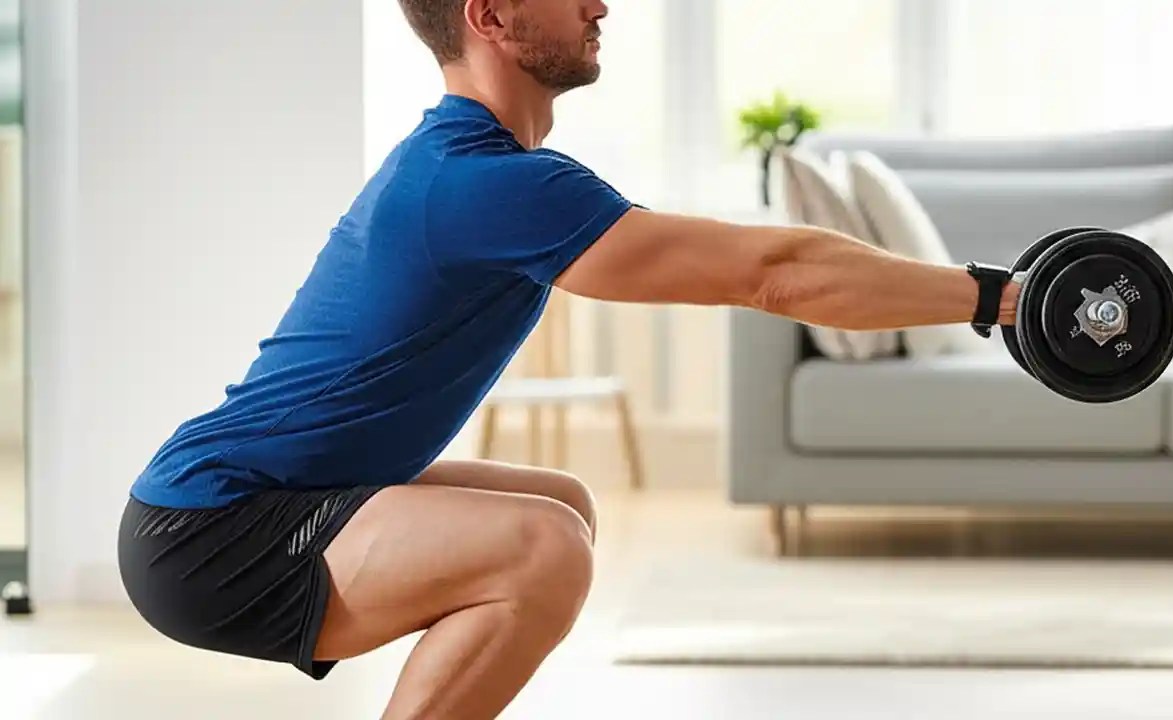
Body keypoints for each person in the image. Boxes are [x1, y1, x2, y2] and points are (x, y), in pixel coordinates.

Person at [116, 0, 1019, 718]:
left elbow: (771, 269)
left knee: (557, 507)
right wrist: (1000, 298)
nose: (601, 5)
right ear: (491, 17)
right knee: (541, 549)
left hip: (241, 502)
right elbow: (773, 275)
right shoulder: (489, 186)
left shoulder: (473, 166)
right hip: (217, 531)